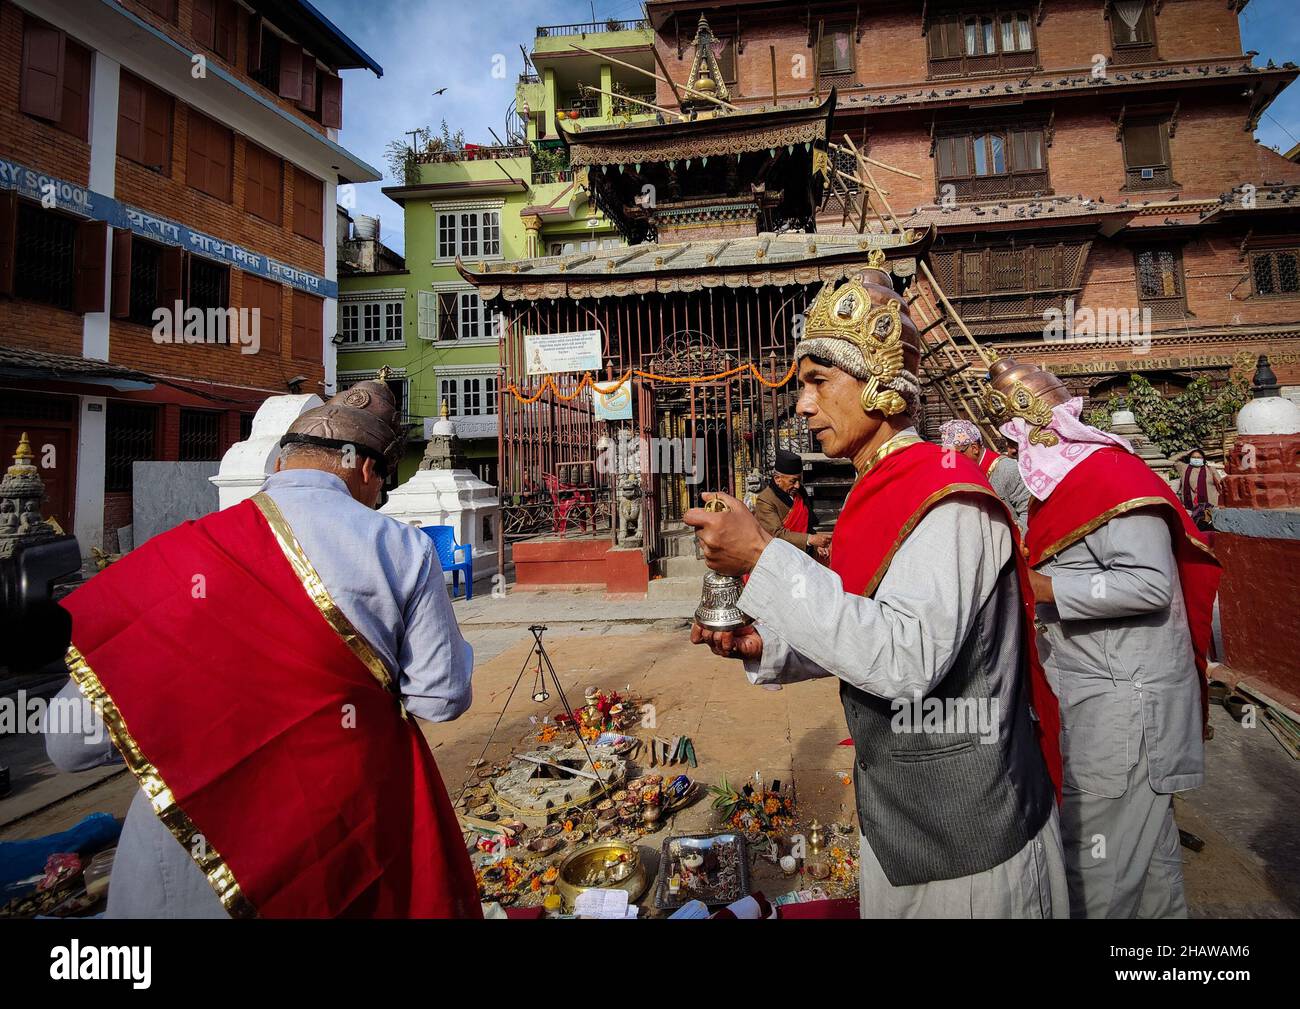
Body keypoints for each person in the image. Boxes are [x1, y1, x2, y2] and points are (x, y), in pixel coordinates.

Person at [686, 260, 1066, 918]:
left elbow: (901, 660)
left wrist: (761, 552)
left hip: (971, 848)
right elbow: (865, 625)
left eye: (817, 381)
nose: (802, 404)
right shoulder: (881, 490)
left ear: (878, 382)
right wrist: (764, 644)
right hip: (904, 827)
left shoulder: (946, 500)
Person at [45, 382, 481, 919]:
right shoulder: (400, 547)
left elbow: (69, 743)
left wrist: (191, 722)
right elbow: (439, 700)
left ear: (277, 462)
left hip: (181, 856)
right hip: (328, 844)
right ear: (368, 472)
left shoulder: (179, 553)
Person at [985, 358, 1220, 919]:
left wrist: (1043, 586)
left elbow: (1148, 584)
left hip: (1126, 705)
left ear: (1041, 430)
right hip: (1103, 692)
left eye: (1016, 439)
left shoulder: (1109, 480)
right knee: (1152, 870)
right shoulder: (1074, 484)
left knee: (1099, 871)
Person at [938, 419, 1031, 532]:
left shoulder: (1008, 469)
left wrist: (1016, 542)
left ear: (974, 448)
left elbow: (1029, 513)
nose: (952, 461)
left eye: (956, 455)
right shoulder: (963, 472)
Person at [751, 448, 831, 559]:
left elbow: (806, 526)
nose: (798, 486)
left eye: (799, 480)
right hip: (780, 557)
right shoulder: (766, 500)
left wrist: (816, 544)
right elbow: (777, 534)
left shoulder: (799, 493)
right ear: (778, 479)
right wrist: (810, 539)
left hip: (803, 554)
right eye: (793, 481)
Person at [1176, 447, 1222, 532]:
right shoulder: (1184, 468)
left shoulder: (1210, 469)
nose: (1196, 459)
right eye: (1194, 457)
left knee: (1207, 531)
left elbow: (1221, 486)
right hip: (1190, 508)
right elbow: (1173, 460)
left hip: (1209, 508)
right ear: (1189, 458)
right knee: (1193, 532)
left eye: (1199, 457)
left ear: (1203, 459)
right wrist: (1188, 452)